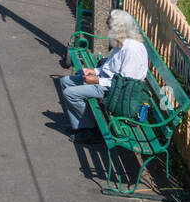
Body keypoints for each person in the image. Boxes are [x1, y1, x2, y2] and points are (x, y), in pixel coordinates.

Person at [58, 9, 150, 141]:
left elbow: (123, 84)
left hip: (117, 91)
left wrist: (96, 80)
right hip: (108, 81)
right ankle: (80, 124)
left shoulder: (132, 50)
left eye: (111, 28)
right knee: (65, 81)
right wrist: (94, 71)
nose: (109, 32)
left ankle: (90, 130)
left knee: (70, 94)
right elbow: (110, 66)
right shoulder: (123, 42)